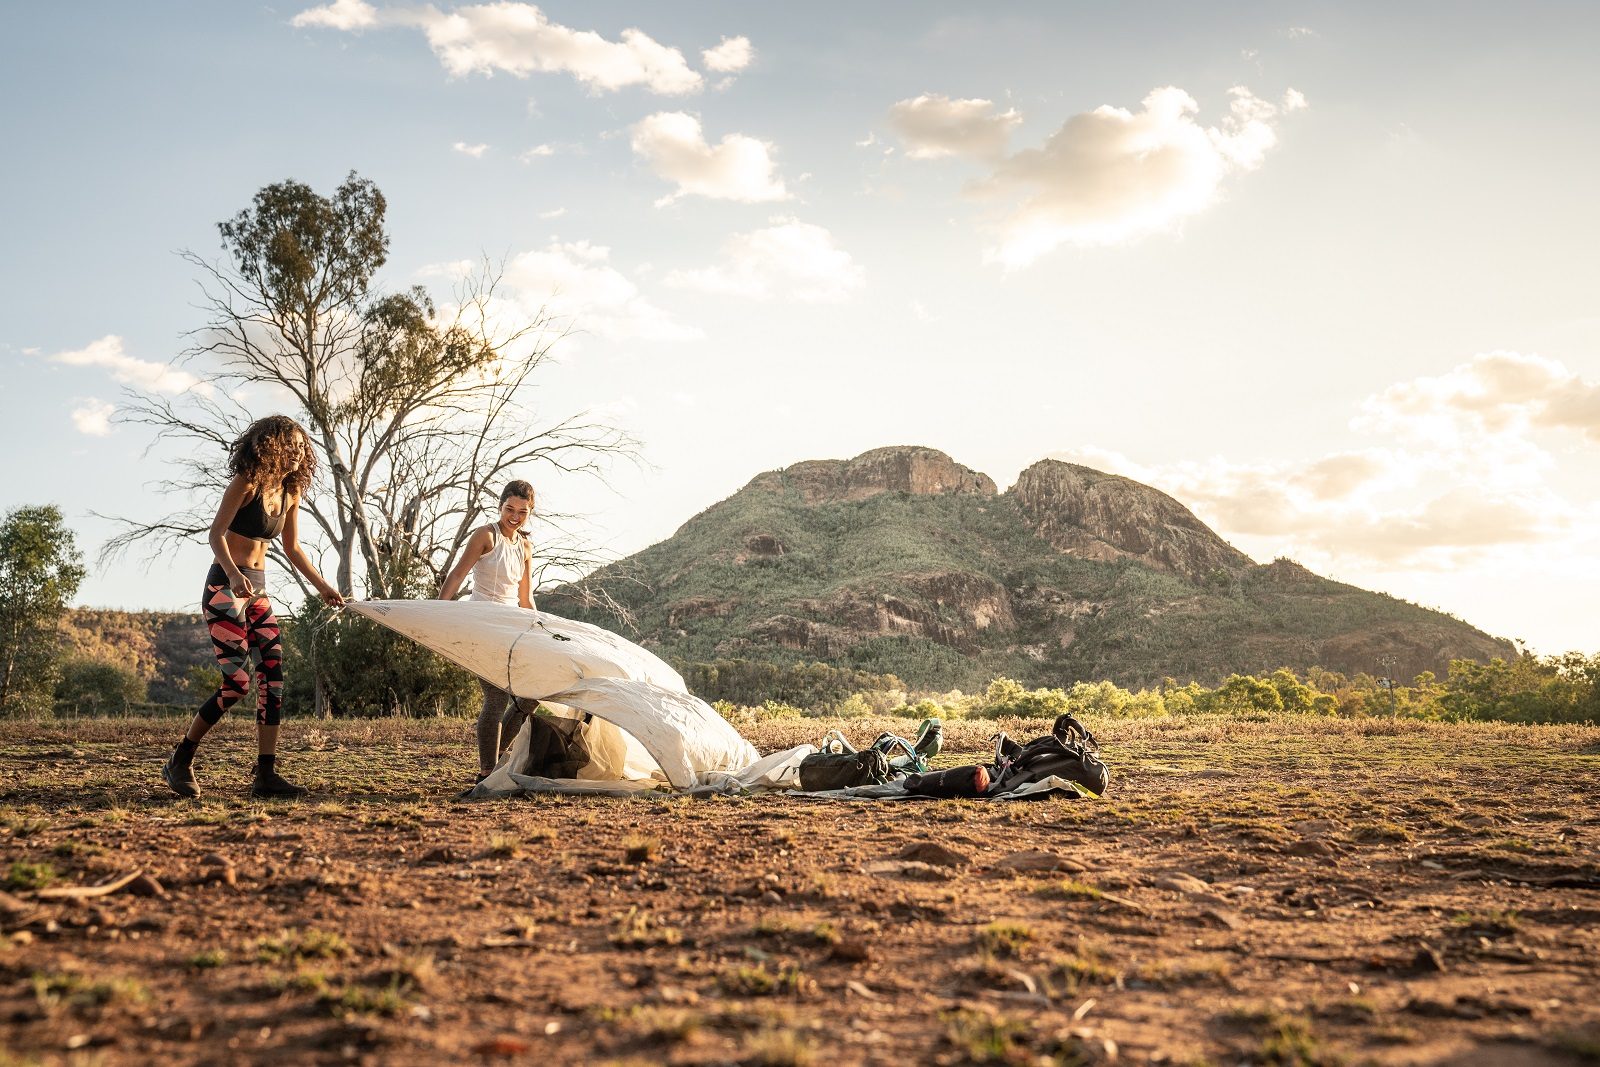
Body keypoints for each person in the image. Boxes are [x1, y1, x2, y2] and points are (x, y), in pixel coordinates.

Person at [162, 416, 345, 800]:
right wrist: (231, 573)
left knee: (273, 678)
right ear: (271, 445)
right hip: (224, 588)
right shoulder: (246, 483)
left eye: (301, 447)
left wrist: (324, 587)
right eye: (290, 445)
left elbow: (293, 549)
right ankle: (180, 759)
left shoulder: (291, 493)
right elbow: (215, 535)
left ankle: (265, 774)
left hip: (258, 592)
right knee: (238, 684)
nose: (297, 452)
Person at [438, 480, 541, 785]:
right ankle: (486, 772)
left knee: (530, 696)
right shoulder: (486, 535)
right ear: (500, 506)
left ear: (529, 513)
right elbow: (457, 573)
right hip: (481, 625)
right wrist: (439, 611)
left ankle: (494, 763)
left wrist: (539, 628)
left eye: (522, 511)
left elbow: (525, 598)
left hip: (511, 629)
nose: (514, 515)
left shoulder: (524, 546)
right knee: (496, 696)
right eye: (509, 508)